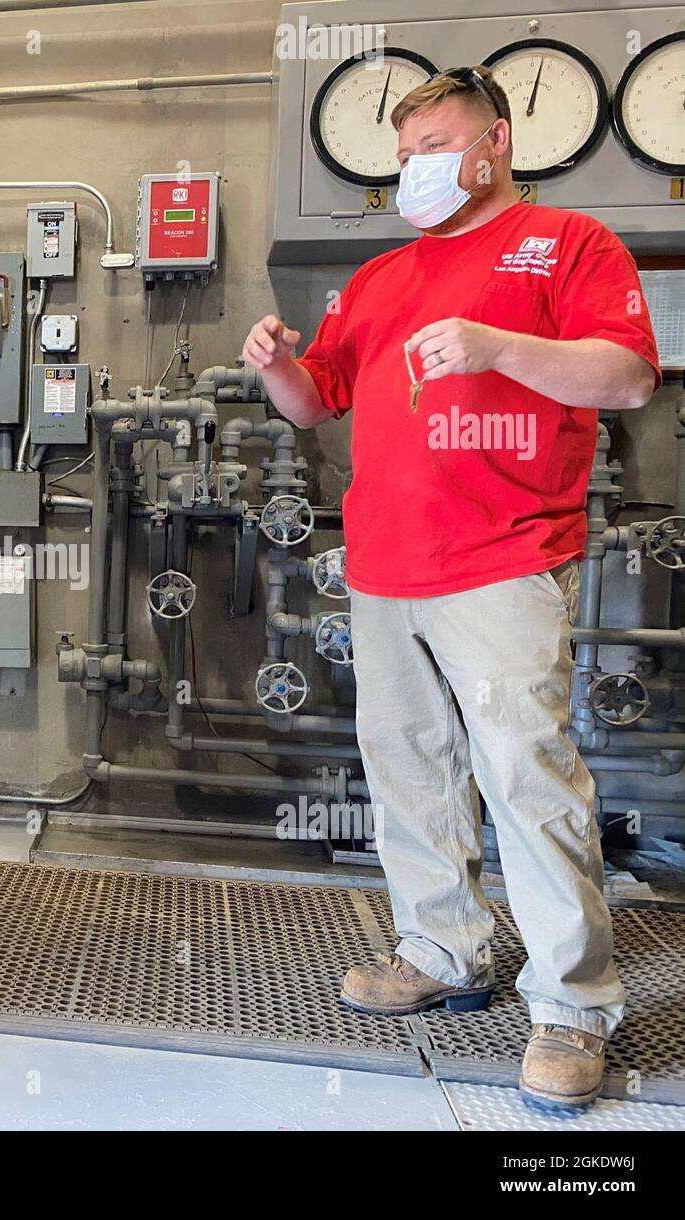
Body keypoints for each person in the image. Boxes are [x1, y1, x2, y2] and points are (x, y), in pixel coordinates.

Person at [242, 65, 660, 1112]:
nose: (413, 169)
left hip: (504, 560)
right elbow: (312, 403)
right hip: (385, 568)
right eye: (404, 152)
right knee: (409, 775)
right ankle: (441, 949)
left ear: (492, 144)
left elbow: (625, 377)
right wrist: (276, 366)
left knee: (525, 777)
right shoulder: (382, 277)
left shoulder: (569, 245)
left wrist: (494, 345)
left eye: (432, 147)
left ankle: (569, 1008)